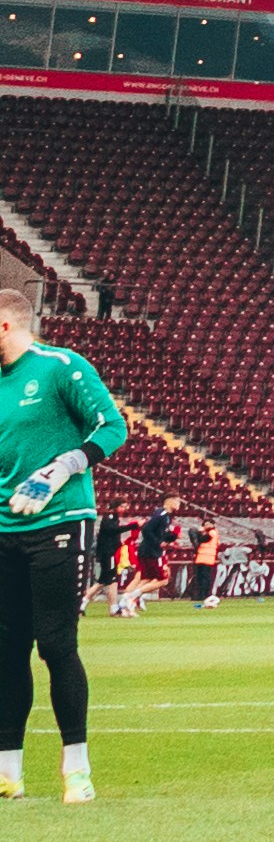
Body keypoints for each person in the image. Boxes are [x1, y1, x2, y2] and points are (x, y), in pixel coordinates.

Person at [0, 275, 128, 805]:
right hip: (5, 529)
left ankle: (76, 767)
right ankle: (8, 770)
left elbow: (111, 427)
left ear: (5, 325)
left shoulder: (60, 367)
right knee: (6, 652)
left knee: (55, 644)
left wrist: (62, 468)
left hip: (60, 521)